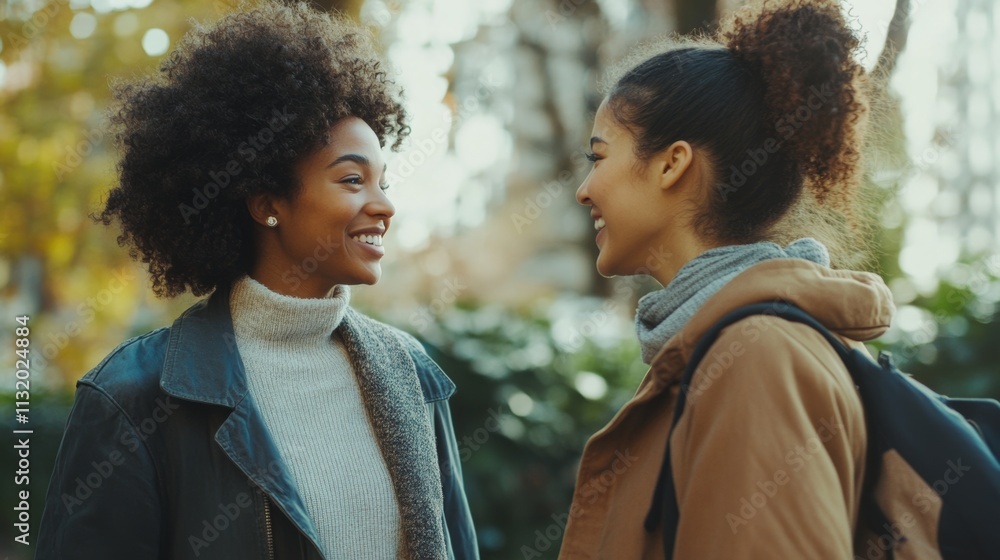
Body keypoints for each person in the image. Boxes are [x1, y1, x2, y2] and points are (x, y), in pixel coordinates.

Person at [36, 3, 478, 559]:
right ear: (268, 202)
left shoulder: (410, 374)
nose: (385, 205)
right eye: (351, 179)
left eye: (383, 182)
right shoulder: (133, 396)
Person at [558, 0, 897, 558]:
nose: (584, 189)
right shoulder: (715, 344)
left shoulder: (755, 357)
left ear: (672, 164)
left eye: (599, 157)